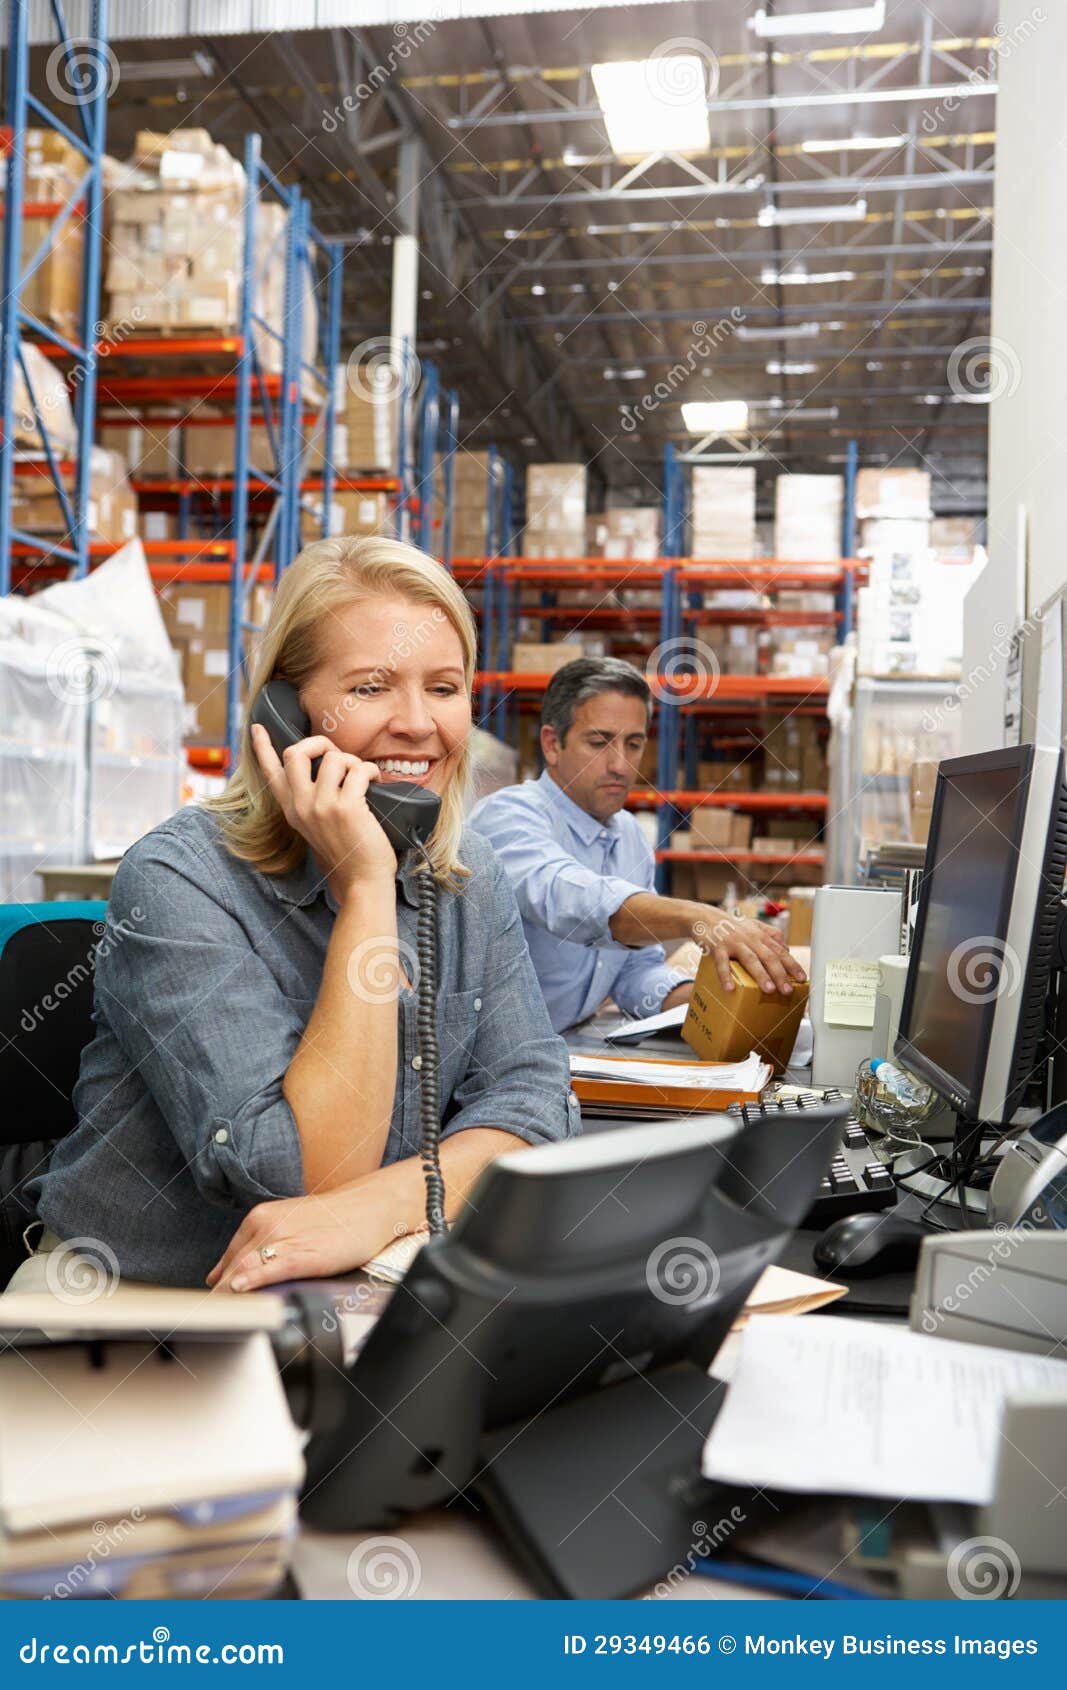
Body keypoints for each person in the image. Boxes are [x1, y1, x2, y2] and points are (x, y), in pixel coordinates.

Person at [12, 537, 578, 1296]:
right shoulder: (180, 877)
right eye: (372, 688)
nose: (419, 724)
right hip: (139, 1305)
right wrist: (369, 889)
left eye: (443, 688)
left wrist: (384, 1204)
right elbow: (299, 1173)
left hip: (361, 1281)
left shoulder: (466, 872)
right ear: (284, 713)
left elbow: (536, 1096)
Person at [469, 657, 806, 1033]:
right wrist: (699, 917)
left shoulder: (629, 836)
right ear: (552, 744)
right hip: (490, 1068)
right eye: (599, 742)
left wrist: (717, 1002)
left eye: (634, 744)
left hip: (569, 1051)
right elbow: (566, 897)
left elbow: (635, 972)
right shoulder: (507, 818)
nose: (621, 765)